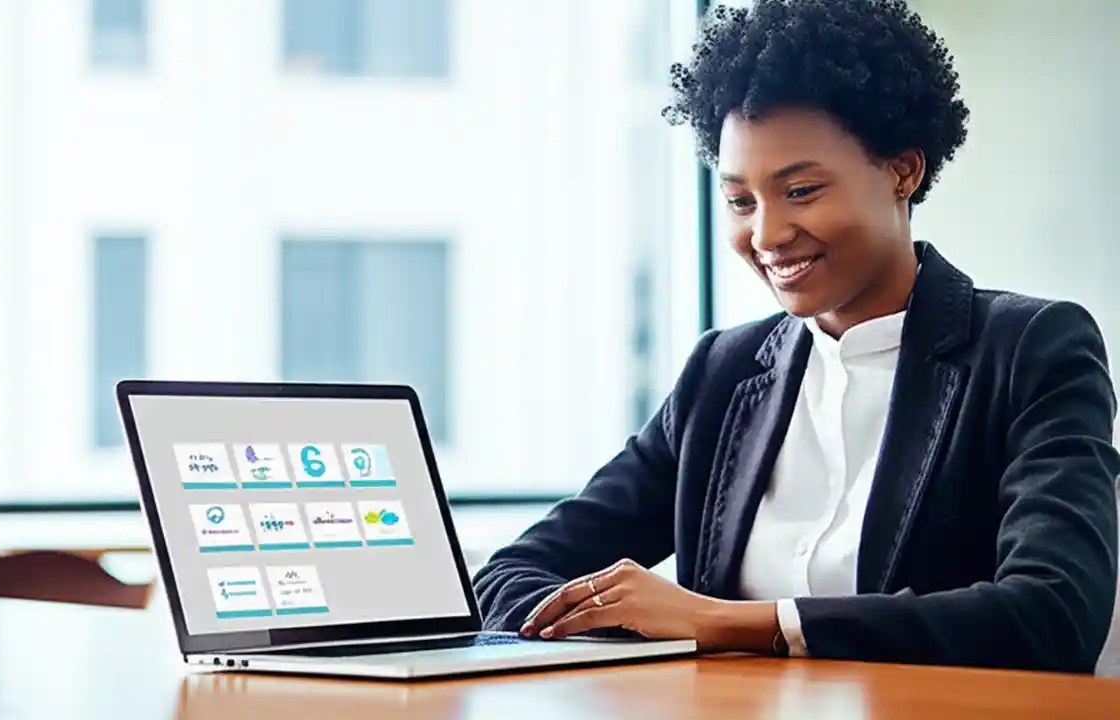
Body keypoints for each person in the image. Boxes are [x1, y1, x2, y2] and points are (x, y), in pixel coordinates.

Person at [472, 0, 1119, 673]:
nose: (767, 234)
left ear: (903, 171)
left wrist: (723, 623)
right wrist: (646, 635)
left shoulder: (1032, 351)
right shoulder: (722, 372)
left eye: (802, 190)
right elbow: (511, 576)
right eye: (740, 201)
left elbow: (1053, 613)